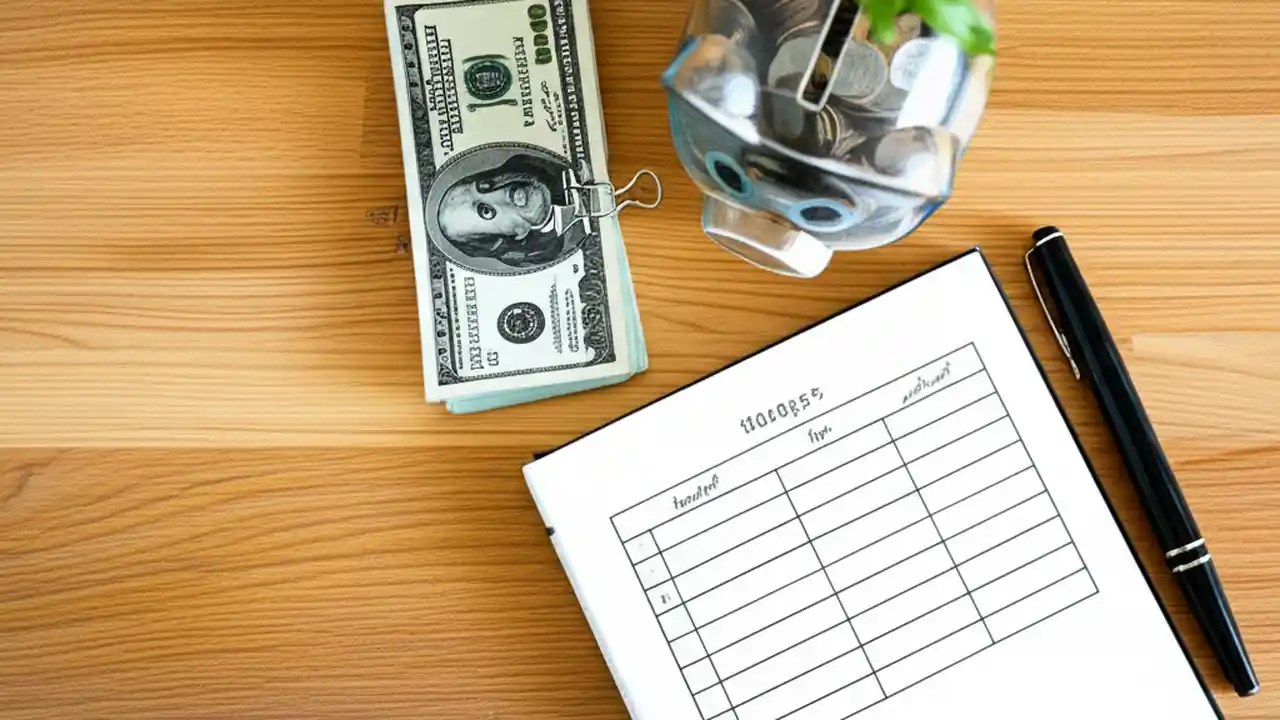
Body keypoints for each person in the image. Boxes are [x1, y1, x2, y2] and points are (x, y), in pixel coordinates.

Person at [437, 154, 576, 269]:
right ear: (516, 232)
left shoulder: (547, 164)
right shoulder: (570, 239)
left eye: (483, 186)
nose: (497, 192)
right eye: (486, 211)